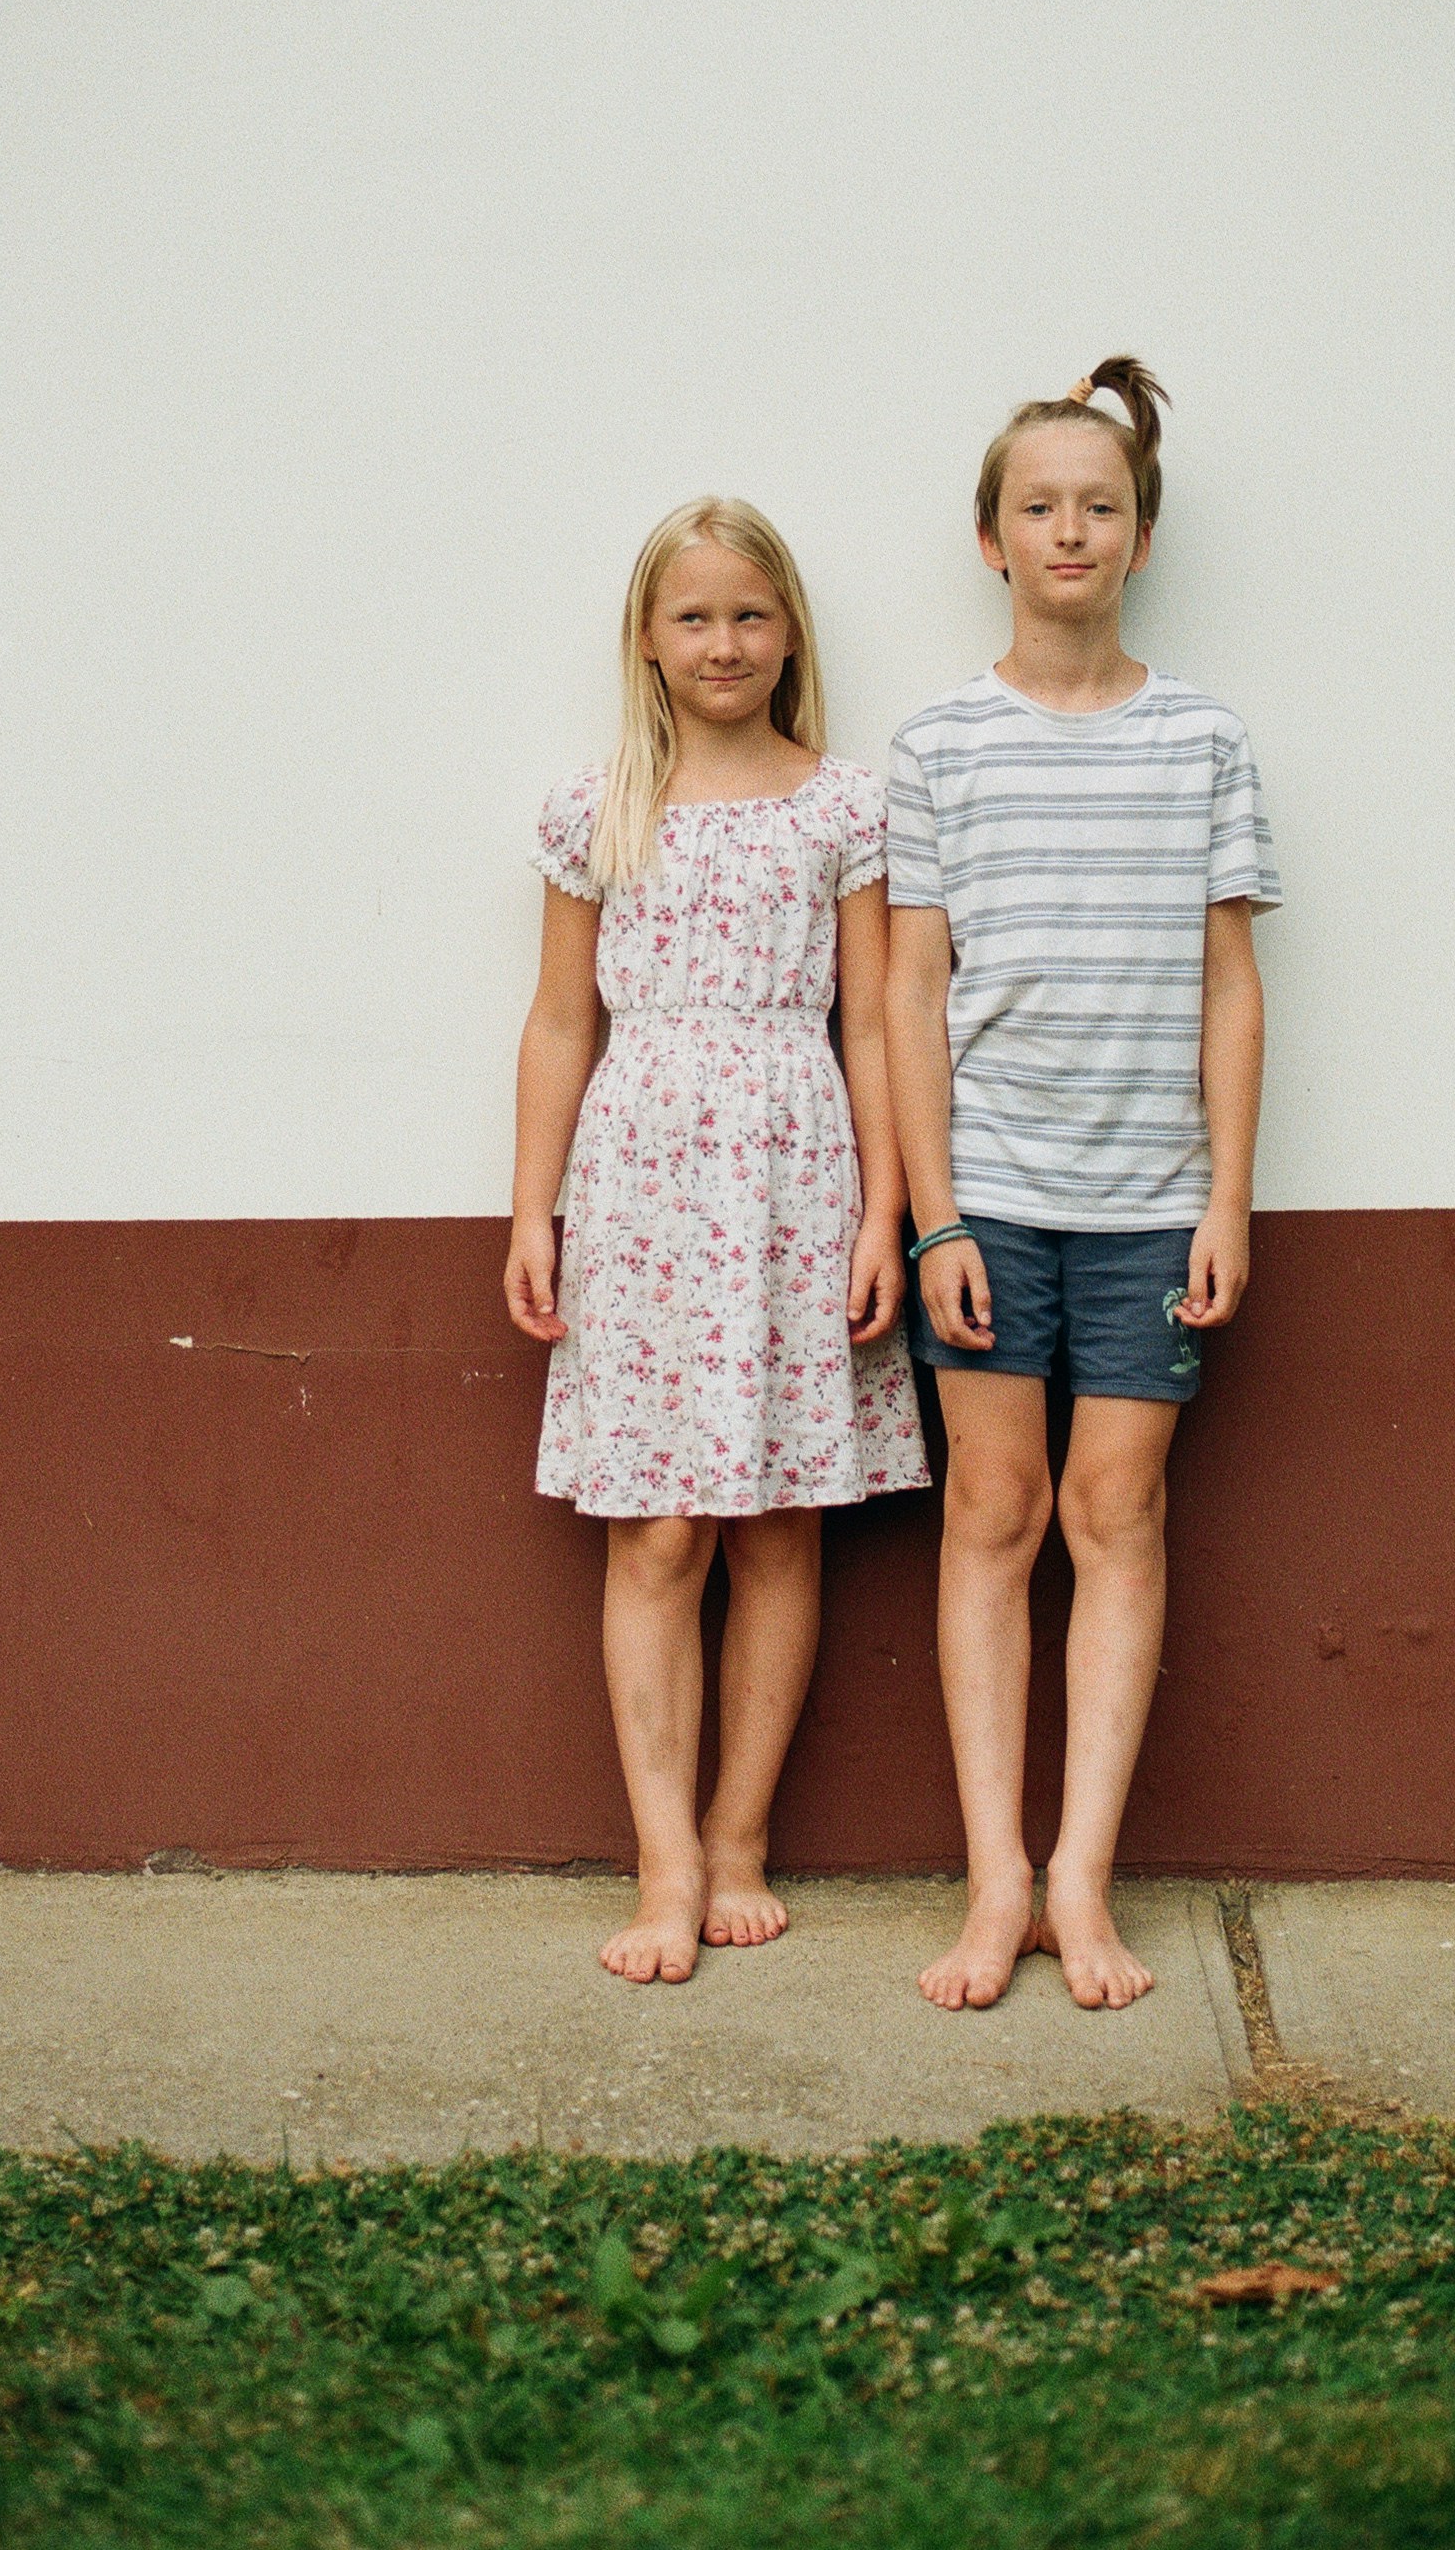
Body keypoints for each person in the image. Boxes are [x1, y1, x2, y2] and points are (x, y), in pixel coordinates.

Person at [885, 359, 1281, 2012]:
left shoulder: (1201, 739)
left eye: (1099, 506)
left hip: (1149, 1207)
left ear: (1138, 534)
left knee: (1115, 1515)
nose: (1071, 529)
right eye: (1038, 505)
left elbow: (1232, 988)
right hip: (993, 1199)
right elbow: (905, 996)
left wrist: (1228, 1201)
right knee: (994, 1512)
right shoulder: (939, 748)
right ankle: (992, 1890)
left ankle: (1080, 1884)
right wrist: (934, 1217)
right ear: (989, 537)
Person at [506, 497, 929, 1985]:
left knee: (773, 1522)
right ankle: (663, 1852)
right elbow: (562, 1020)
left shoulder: (844, 808)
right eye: (693, 616)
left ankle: (740, 1833)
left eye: (749, 613)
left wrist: (887, 1210)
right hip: (636, 1185)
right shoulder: (597, 809)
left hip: (794, 1176)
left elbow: (874, 1018)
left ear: (790, 629)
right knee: (658, 1524)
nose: (723, 642)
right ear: (646, 637)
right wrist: (531, 1207)